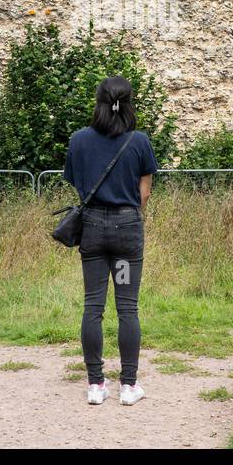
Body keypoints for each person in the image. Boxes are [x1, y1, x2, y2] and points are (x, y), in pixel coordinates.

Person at [63, 75, 158, 406]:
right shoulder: (140, 141)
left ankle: (95, 385)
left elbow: (78, 184)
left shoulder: (78, 140)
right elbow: (143, 194)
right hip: (127, 231)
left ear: (98, 102)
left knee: (93, 306)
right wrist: (128, 215)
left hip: (92, 230)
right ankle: (129, 387)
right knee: (127, 308)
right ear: (128, 103)